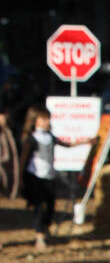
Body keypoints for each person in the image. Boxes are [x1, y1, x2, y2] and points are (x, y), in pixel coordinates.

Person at [20, 107, 56, 251]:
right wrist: (20, 177)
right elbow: (23, 159)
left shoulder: (50, 137)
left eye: (48, 118)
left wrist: (86, 141)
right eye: (43, 119)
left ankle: (46, 228)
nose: (46, 121)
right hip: (35, 176)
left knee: (51, 204)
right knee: (39, 207)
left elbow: (66, 144)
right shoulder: (32, 138)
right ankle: (39, 235)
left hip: (49, 175)